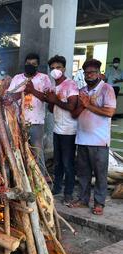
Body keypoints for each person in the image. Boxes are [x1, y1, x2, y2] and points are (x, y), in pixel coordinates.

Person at [68, 59, 117, 216]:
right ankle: (83, 200)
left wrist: (88, 105)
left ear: (99, 73)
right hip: (82, 138)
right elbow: (74, 114)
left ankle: (99, 203)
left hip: (99, 141)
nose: (89, 75)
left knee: (100, 174)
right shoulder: (82, 91)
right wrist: (83, 105)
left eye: (93, 72)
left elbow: (109, 112)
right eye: (87, 73)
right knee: (83, 173)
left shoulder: (106, 89)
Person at [6, 53, 53, 176]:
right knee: (18, 149)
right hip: (18, 120)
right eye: (28, 64)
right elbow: (9, 97)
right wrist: (23, 91)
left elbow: (48, 98)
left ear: (38, 66)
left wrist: (32, 90)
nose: (30, 66)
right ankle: (22, 177)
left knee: (37, 151)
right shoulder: (17, 78)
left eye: (33, 64)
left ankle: (41, 179)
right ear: (24, 64)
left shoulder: (44, 78)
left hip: (36, 122)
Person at [45, 55, 80, 205]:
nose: (55, 70)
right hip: (57, 129)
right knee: (58, 162)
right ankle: (57, 187)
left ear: (64, 68)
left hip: (69, 131)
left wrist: (55, 100)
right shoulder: (54, 86)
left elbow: (72, 107)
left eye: (58, 67)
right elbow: (52, 109)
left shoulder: (70, 84)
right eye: (52, 68)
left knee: (67, 163)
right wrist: (50, 101)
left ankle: (68, 193)